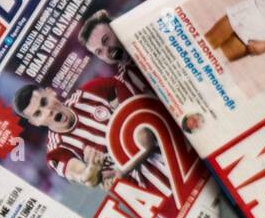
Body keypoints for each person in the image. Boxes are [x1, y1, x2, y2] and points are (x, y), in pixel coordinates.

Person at [12, 78, 174, 203]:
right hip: (152, 192)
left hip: (171, 152)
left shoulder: (90, 92)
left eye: (44, 102)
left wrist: (132, 114)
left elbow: (120, 84)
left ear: (51, 92)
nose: (48, 112)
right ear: (35, 122)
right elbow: (83, 176)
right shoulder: (56, 152)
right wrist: (92, 170)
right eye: (38, 114)